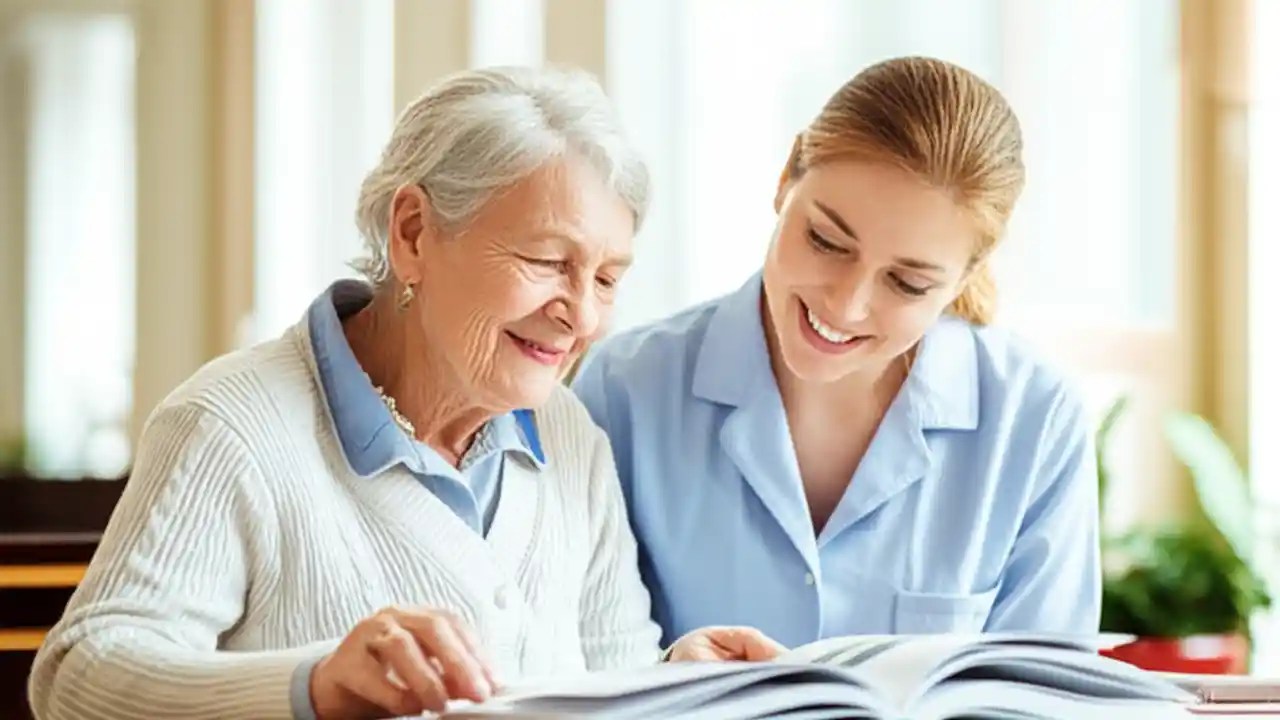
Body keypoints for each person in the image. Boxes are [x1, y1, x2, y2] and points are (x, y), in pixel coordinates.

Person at [28, 66, 783, 720]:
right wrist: (315, 686)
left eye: (609, 278)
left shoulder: (568, 436)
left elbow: (609, 675)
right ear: (414, 232)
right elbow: (78, 679)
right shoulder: (231, 425)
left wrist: (673, 685)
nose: (582, 314)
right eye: (548, 261)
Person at [572, 56, 1101, 651]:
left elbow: (1045, 694)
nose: (847, 306)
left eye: (907, 283)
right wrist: (666, 674)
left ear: (965, 274)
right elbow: (571, 660)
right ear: (785, 178)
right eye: (825, 241)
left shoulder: (1033, 419)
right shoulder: (626, 390)